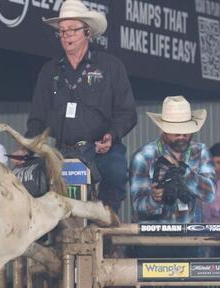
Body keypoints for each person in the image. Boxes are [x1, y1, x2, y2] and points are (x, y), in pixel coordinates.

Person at [25, 0, 137, 211]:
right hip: (62, 151)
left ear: (87, 32)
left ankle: (107, 223)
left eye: (72, 30)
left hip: (101, 149)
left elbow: (127, 112)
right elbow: (38, 118)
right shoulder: (50, 71)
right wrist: (26, 147)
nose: (66, 35)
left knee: (116, 172)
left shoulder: (110, 66)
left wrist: (111, 136)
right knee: (33, 180)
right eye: (62, 31)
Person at [129, 96, 215, 225]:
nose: (181, 136)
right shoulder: (144, 157)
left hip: (188, 236)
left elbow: (210, 195)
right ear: (162, 131)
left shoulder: (200, 151)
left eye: (186, 132)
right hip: (152, 238)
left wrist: (183, 172)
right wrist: (154, 199)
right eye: (176, 132)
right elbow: (137, 208)